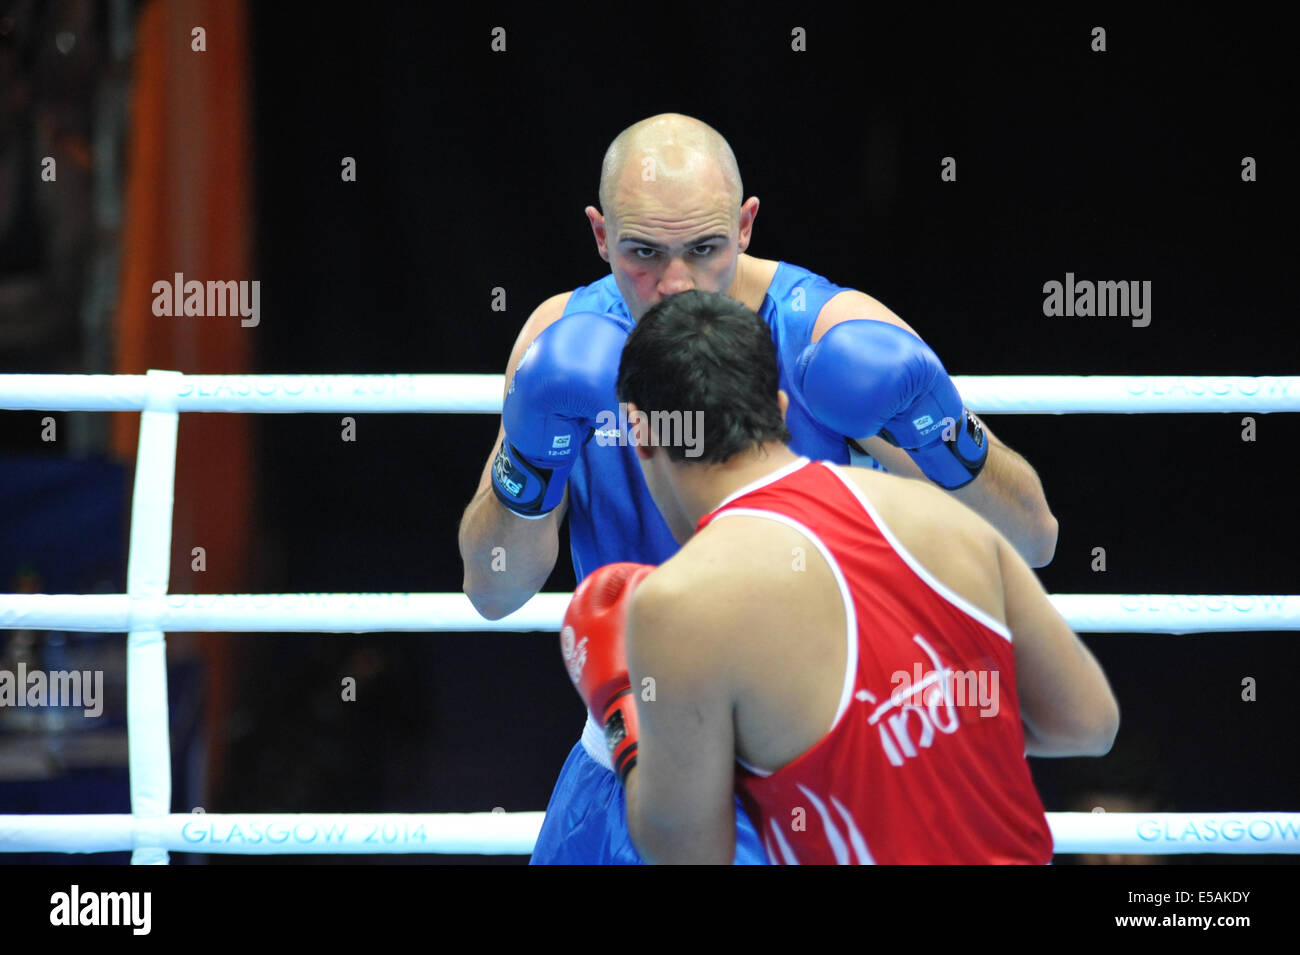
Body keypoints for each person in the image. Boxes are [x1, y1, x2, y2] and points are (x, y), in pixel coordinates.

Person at [458, 113, 1060, 864]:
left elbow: (1032, 537)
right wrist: (528, 459)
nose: (674, 286)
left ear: (745, 227)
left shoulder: (822, 335)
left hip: (809, 764)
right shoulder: (563, 342)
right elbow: (494, 590)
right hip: (624, 755)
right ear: (600, 234)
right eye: (643, 252)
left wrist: (938, 428)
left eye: (703, 249)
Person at [561, 289, 1119, 864]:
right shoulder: (944, 518)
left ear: (640, 433)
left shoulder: (680, 601)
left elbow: (687, 854)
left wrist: (624, 719)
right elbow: (1088, 724)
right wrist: (921, 735)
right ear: (779, 409)